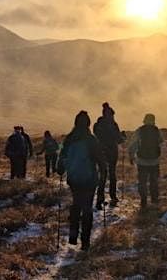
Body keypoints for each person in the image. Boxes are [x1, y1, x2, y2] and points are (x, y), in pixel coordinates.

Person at [57, 111, 102, 251]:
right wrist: (103, 172)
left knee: (76, 204)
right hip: (89, 179)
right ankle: (85, 242)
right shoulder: (91, 139)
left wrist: (60, 170)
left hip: (74, 178)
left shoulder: (69, 139)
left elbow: (62, 156)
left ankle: (73, 236)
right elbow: (100, 159)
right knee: (87, 207)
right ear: (88, 123)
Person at [128, 113, 163, 208]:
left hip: (142, 161)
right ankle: (154, 199)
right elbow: (161, 142)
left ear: (144, 120)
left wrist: (131, 156)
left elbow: (133, 145)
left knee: (142, 181)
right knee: (154, 181)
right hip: (154, 161)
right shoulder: (157, 130)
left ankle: (143, 200)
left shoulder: (139, 131)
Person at [93, 102, 124, 209]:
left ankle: (99, 199)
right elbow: (119, 140)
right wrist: (123, 137)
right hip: (112, 153)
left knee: (102, 175)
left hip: (101, 153)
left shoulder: (97, 125)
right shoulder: (113, 125)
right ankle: (113, 196)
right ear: (110, 114)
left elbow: (96, 136)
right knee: (112, 174)